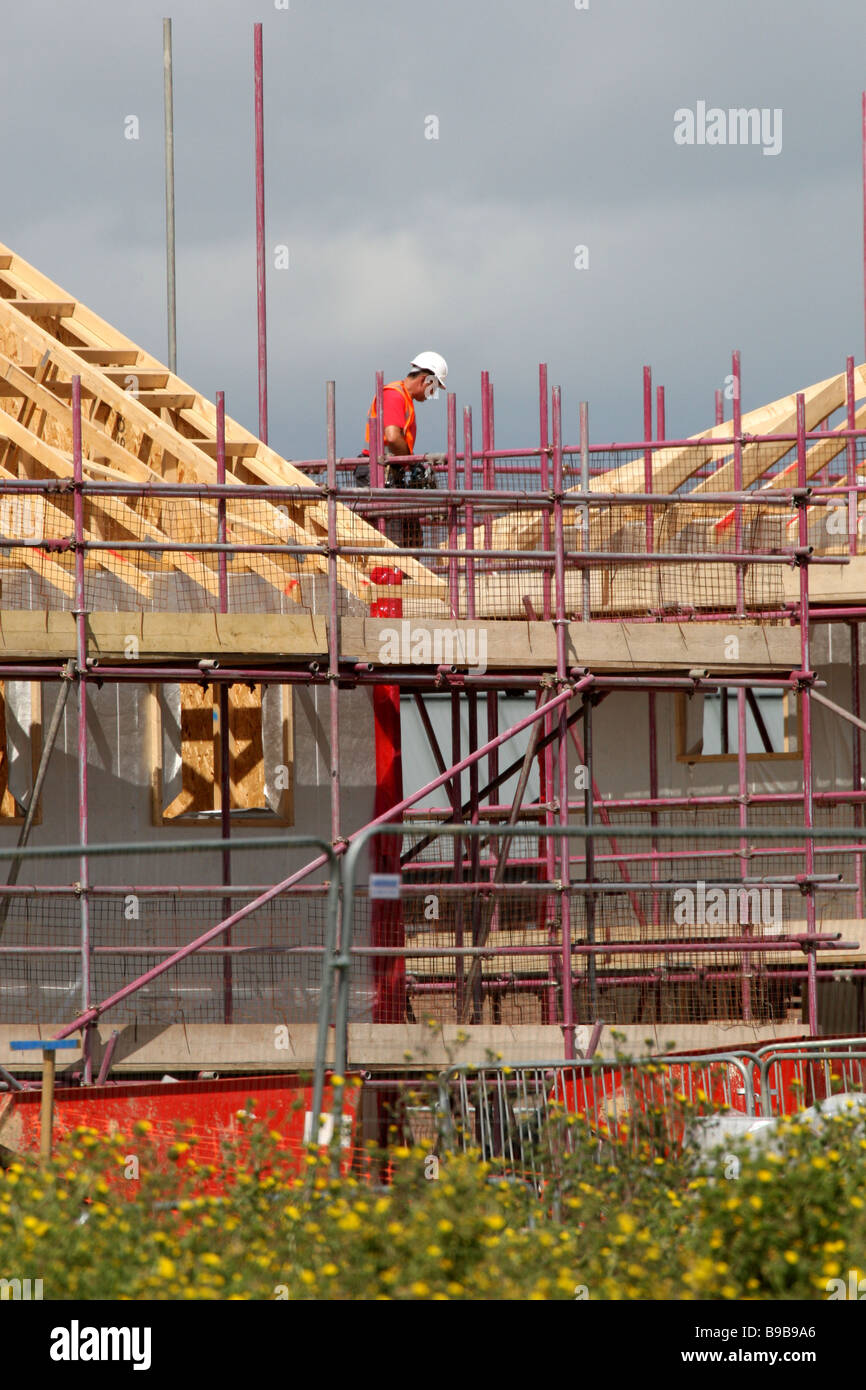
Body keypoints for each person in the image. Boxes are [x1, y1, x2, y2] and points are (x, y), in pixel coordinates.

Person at [356, 352, 448, 548]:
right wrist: (411, 462)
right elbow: (392, 436)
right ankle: (389, 576)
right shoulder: (394, 395)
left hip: (389, 472)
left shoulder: (404, 398)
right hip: (378, 472)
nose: (432, 394)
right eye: (434, 388)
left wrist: (409, 463)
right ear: (425, 380)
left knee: (409, 537)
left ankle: (403, 575)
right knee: (392, 539)